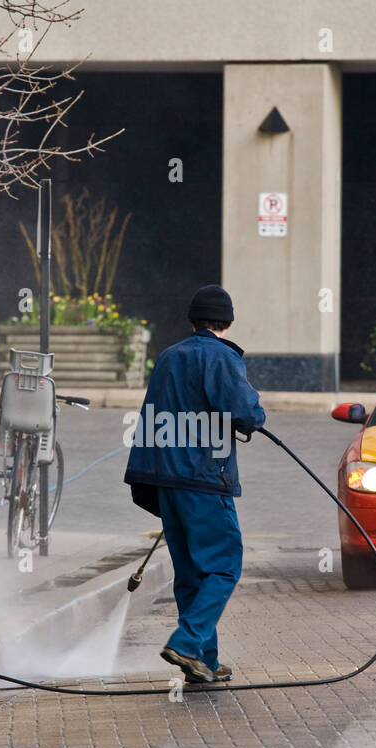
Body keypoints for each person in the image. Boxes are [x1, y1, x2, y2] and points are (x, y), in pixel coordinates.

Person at [124, 284, 266, 683]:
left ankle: (204, 660)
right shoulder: (221, 357)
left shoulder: (169, 356)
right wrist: (255, 416)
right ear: (229, 321)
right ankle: (187, 643)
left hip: (165, 478)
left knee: (190, 573)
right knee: (223, 565)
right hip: (203, 478)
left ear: (193, 320)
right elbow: (246, 412)